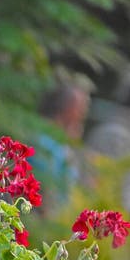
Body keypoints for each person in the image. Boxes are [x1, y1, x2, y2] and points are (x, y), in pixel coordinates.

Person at [32, 80, 91, 210]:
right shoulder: (43, 141)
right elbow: (47, 191)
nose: (83, 113)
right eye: (81, 108)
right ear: (67, 108)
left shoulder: (63, 140)